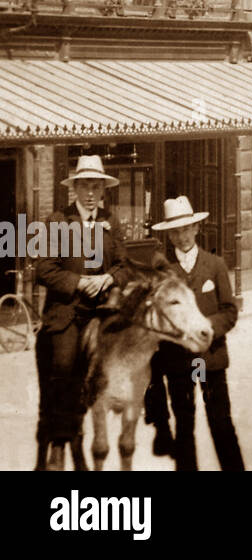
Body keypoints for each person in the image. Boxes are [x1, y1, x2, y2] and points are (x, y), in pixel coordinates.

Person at [33, 154, 130, 469]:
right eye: (84, 186)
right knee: (64, 365)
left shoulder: (110, 220)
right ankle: (59, 445)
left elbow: (123, 265)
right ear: (74, 188)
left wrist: (108, 278)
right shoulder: (58, 221)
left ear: (103, 189)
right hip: (67, 312)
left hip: (103, 311)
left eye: (96, 186)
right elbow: (44, 270)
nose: (90, 193)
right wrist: (78, 282)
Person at [143, 196, 244, 470]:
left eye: (187, 229)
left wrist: (208, 326)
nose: (182, 236)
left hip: (210, 358)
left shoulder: (215, 265)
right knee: (184, 428)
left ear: (197, 229)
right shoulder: (163, 274)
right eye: (175, 231)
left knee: (221, 424)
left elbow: (229, 311)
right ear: (168, 235)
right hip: (178, 361)